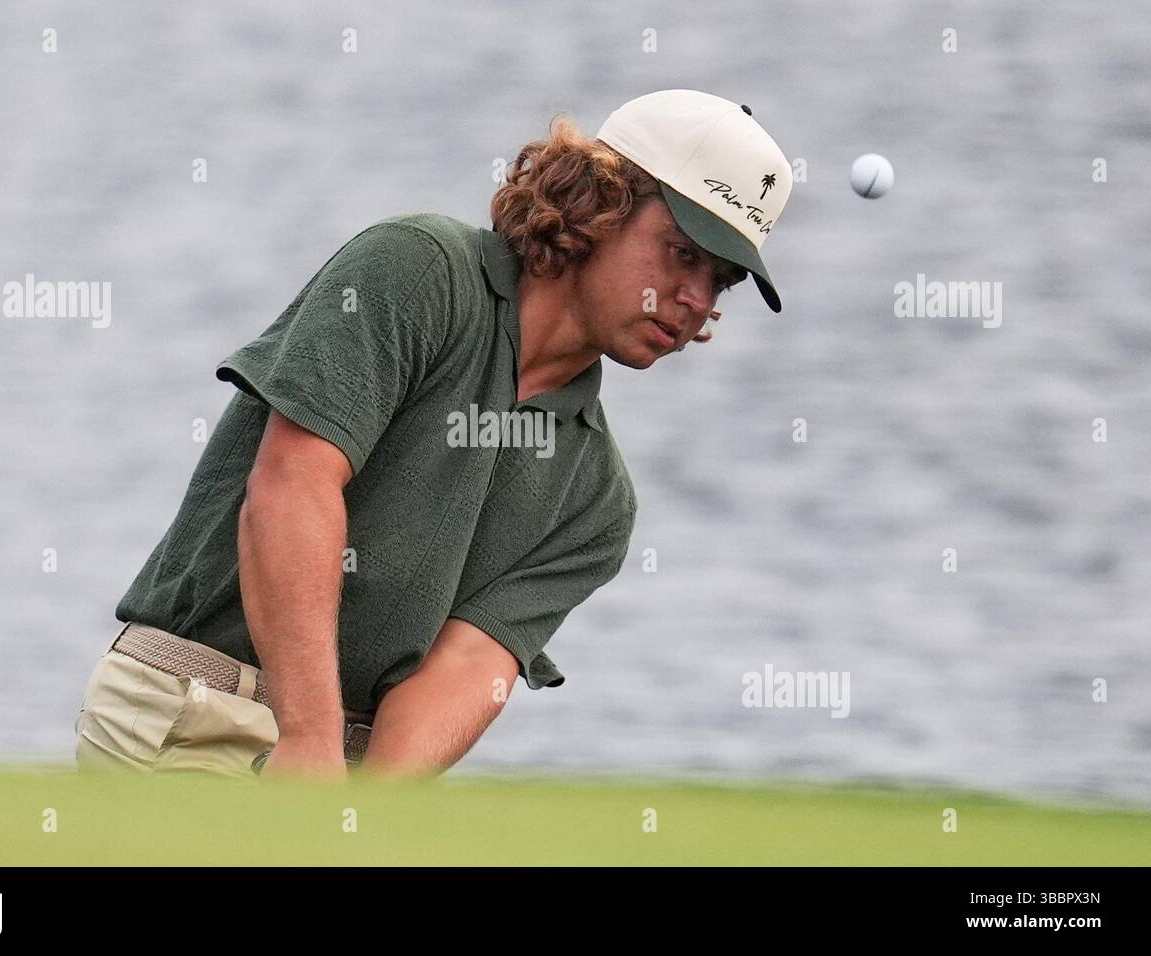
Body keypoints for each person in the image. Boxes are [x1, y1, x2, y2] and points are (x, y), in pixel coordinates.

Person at [73, 89, 794, 781]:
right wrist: (311, 741)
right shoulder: (418, 271)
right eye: (682, 253)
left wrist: (367, 820)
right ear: (599, 204)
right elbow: (292, 484)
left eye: (722, 280)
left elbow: (465, 672)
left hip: (331, 765)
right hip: (197, 706)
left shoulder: (596, 501)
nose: (697, 299)